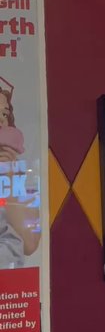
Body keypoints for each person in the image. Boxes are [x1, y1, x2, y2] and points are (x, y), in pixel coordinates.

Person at [0, 88, 39, 267]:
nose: (1, 120)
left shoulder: (24, 176)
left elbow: (30, 244)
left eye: (4, 114)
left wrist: (9, 180)